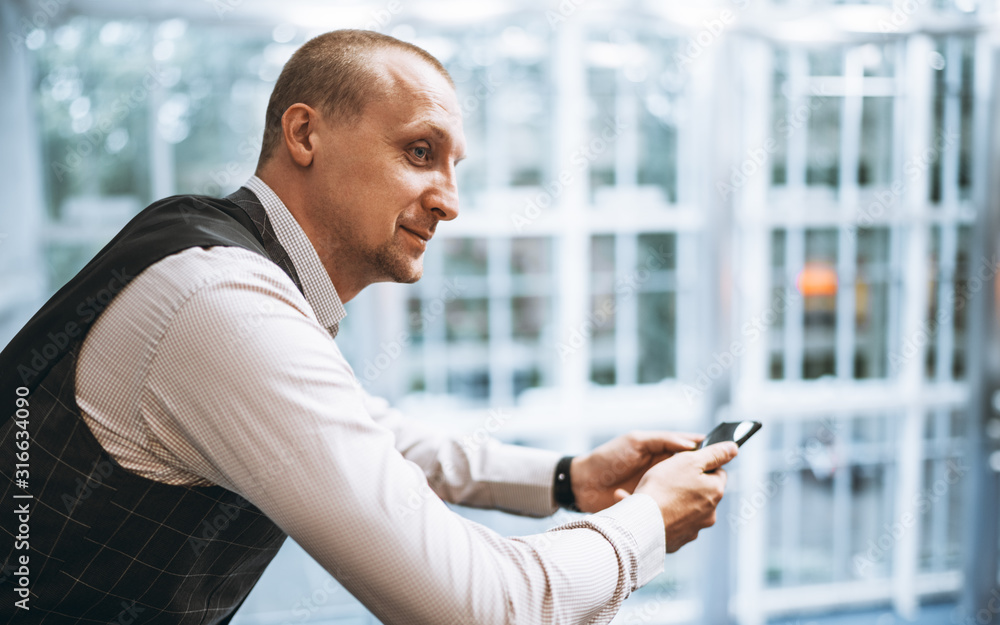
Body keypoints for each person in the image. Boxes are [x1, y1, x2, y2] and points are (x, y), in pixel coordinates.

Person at [0, 29, 737, 624]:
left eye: (455, 166)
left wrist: (565, 479)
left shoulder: (208, 243)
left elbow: (361, 428)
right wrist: (648, 522)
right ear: (304, 134)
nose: (449, 201)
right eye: (420, 152)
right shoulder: (225, 304)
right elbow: (483, 609)